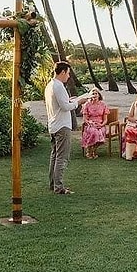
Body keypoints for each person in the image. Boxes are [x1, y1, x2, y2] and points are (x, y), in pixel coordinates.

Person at [45, 61, 88, 194]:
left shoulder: (50, 85)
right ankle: (59, 187)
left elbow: (61, 103)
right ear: (62, 72)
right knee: (61, 157)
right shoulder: (58, 86)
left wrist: (71, 100)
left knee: (55, 155)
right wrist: (78, 102)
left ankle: (53, 184)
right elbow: (65, 107)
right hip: (62, 126)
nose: (69, 76)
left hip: (54, 125)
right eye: (68, 73)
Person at [81, 89, 109, 159]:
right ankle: (89, 150)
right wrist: (90, 123)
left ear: (99, 95)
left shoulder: (103, 105)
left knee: (100, 131)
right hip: (90, 124)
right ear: (90, 96)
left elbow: (105, 120)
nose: (95, 95)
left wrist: (101, 125)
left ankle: (93, 150)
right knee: (94, 132)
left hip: (100, 124)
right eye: (93, 93)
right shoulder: (86, 105)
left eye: (96, 93)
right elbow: (85, 119)